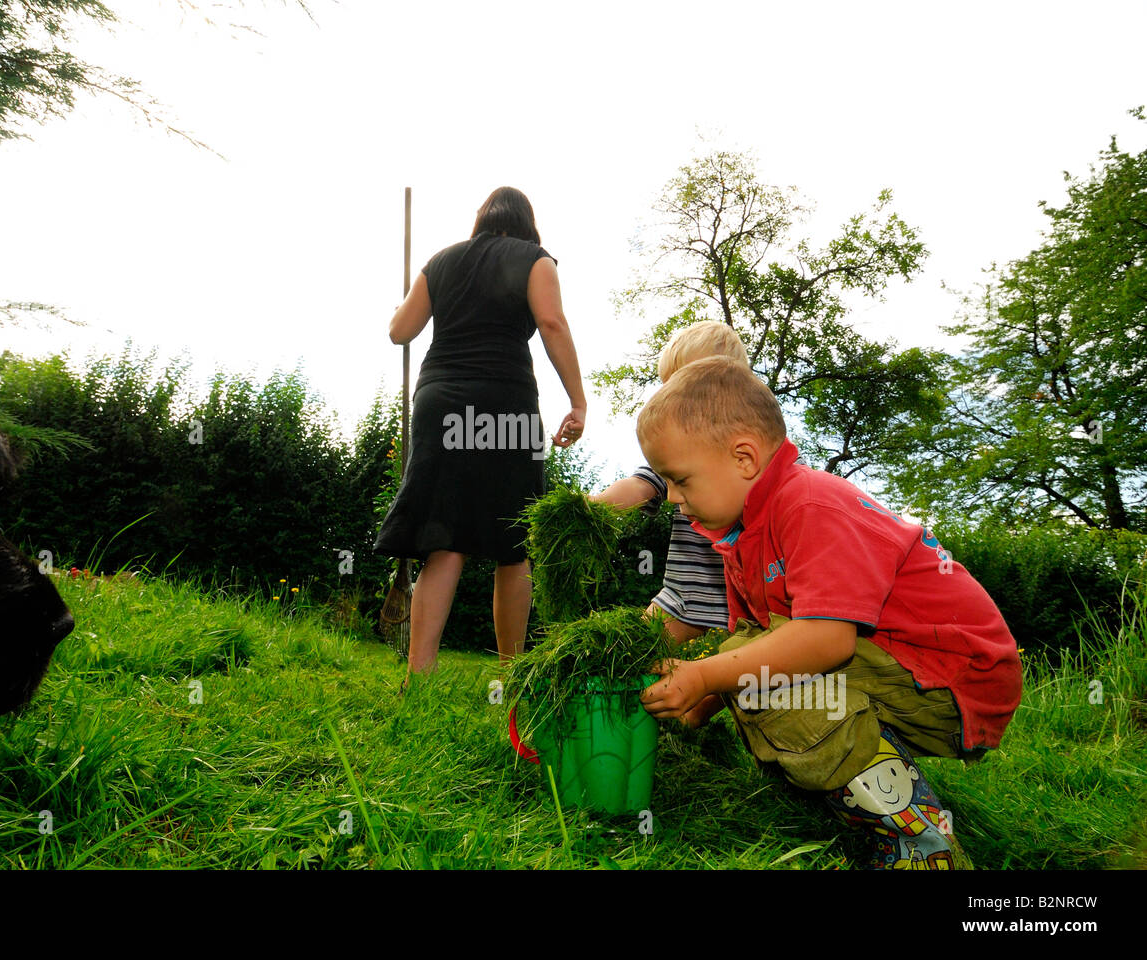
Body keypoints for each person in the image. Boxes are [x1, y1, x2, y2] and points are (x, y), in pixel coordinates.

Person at [635, 356, 1023, 869]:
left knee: (765, 674)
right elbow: (748, 641)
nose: (674, 501)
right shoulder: (742, 537)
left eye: (681, 480)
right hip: (900, 670)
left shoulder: (808, 504)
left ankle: (923, 845)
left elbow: (825, 640)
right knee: (746, 659)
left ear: (744, 458)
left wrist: (706, 675)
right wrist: (702, 700)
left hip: (953, 676)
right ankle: (839, 793)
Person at [374, 187, 587, 678]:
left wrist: (405, 304)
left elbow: (399, 331)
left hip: (440, 402)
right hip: (504, 407)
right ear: (527, 224)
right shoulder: (537, 260)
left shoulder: (440, 262)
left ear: (481, 221)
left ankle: (418, 680)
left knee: (444, 536)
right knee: (514, 541)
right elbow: (552, 322)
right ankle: (513, 678)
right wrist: (577, 401)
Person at [591, 321, 749, 726]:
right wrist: (593, 507)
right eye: (668, 391)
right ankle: (616, 720)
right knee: (627, 651)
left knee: (728, 685)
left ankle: (704, 713)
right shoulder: (676, 456)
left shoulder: (752, 454)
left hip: (744, 607)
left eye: (684, 389)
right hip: (680, 597)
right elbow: (641, 487)